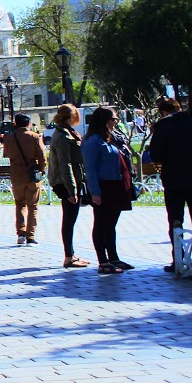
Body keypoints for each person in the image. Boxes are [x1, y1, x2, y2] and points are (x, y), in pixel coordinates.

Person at [145, 95, 192, 271]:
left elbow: (156, 154)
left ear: (165, 112)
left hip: (174, 180)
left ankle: (179, 258)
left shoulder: (163, 128)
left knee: (175, 221)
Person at [83, 105, 134, 274]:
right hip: (104, 186)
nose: (116, 123)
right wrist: (95, 192)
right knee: (101, 223)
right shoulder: (93, 141)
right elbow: (90, 168)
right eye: (114, 119)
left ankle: (113, 257)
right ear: (104, 121)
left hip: (117, 185)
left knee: (111, 224)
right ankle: (102, 261)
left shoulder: (111, 138)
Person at [47, 104, 91, 270]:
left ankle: (71, 254)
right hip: (66, 183)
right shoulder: (63, 136)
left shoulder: (68, 132)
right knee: (69, 220)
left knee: (70, 218)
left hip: (71, 181)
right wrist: (71, 190)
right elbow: (65, 165)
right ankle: (68, 256)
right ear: (70, 116)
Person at [1, 113, 47, 246]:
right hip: (32, 175)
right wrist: (42, 170)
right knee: (33, 206)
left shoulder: (9, 138)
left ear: (15, 123)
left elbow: (7, 154)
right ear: (29, 124)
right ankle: (30, 236)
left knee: (19, 204)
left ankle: (20, 234)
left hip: (16, 175)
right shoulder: (35, 136)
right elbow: (42, 156)